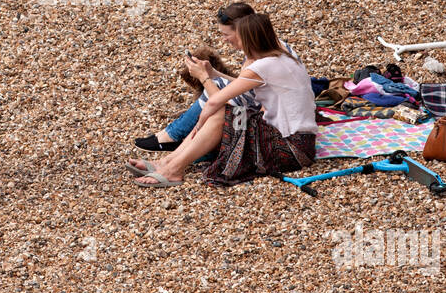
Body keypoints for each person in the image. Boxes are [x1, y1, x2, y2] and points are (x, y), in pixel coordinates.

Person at [128, 13, 316, 187]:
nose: (236, 44)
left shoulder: (264, 66)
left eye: (239, 38)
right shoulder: (282, 55)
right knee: (225, 112)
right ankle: (167, 162)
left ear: (249, 39)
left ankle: (173, 169)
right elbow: (242, 85)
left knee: (221, 113)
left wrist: (203, 78)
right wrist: (214, 74)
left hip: (290, 149)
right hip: (299, 141)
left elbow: (215, 101)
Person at [133, 2, 300, 152]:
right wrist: (213, 73)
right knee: (218, 82)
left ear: (242, 31)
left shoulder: (258, 60)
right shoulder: (273, 45)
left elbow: (224, 106)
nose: (224, 40)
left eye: (226, 34)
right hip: (277, 110)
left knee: (215, 92)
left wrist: (204, 77)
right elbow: (249, 85)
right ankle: (173, 136)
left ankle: (173, 138)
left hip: (271, 125)